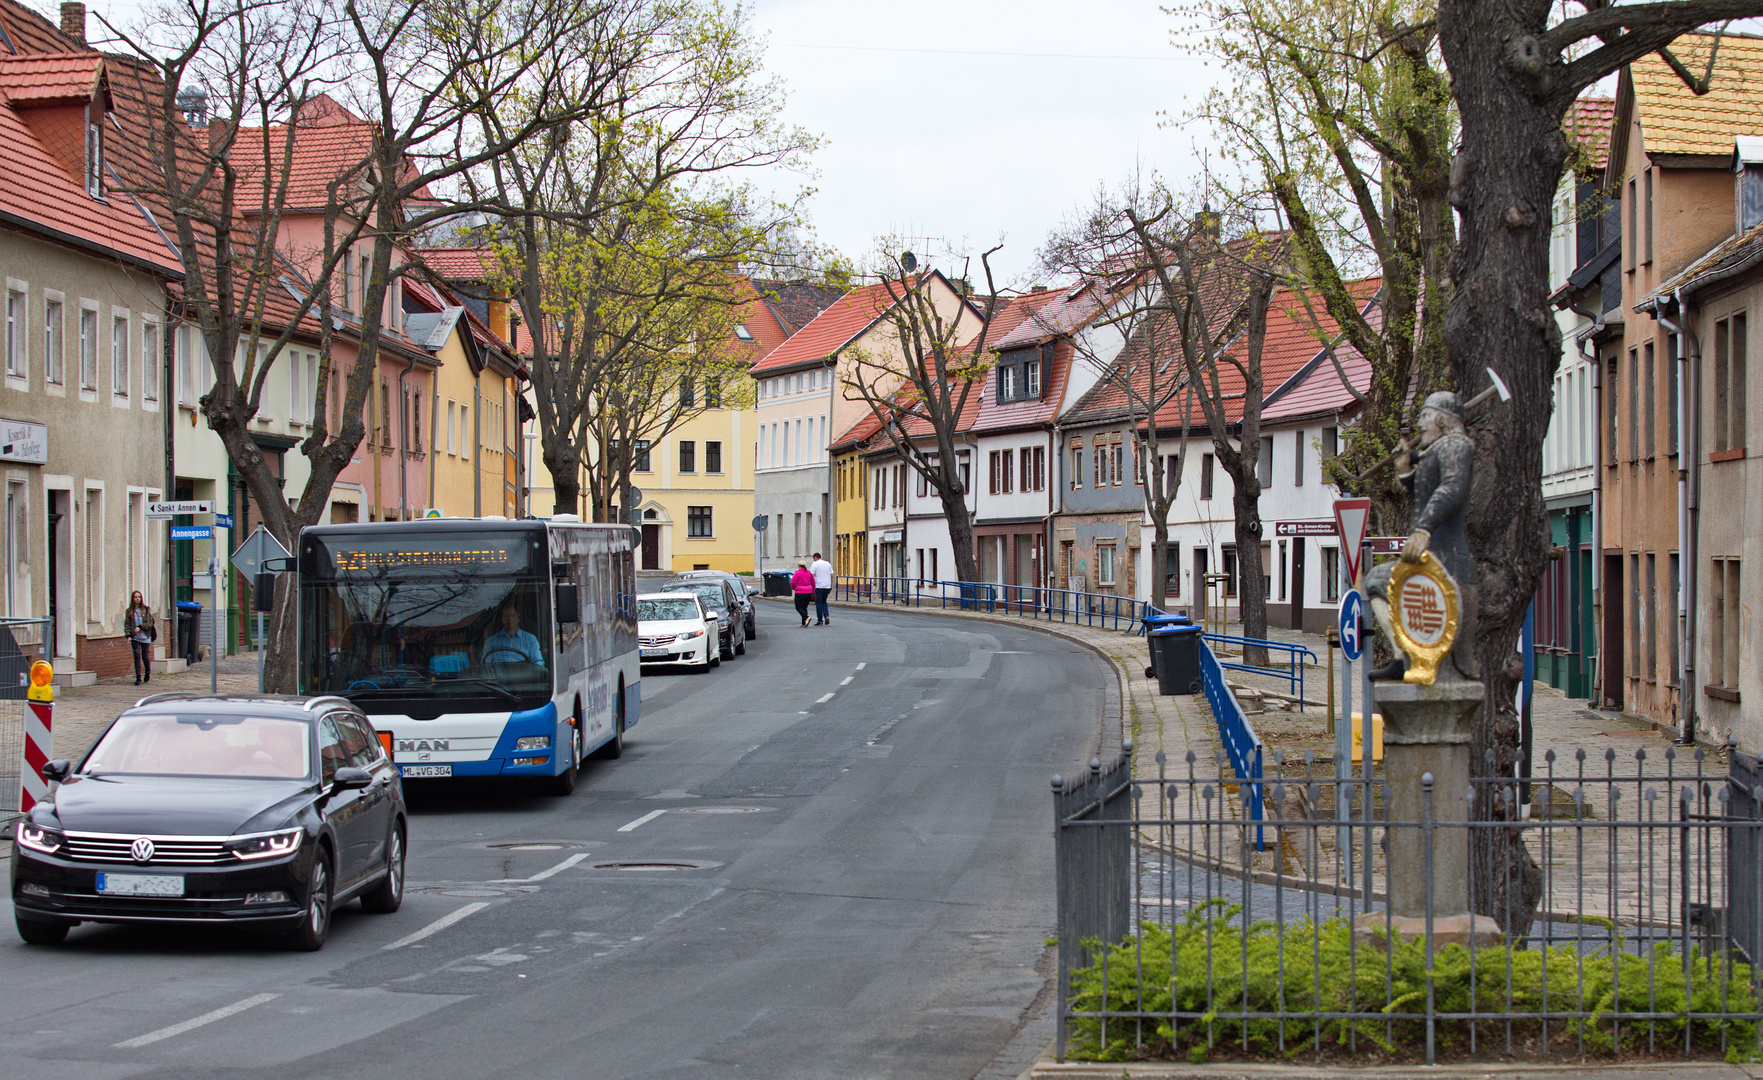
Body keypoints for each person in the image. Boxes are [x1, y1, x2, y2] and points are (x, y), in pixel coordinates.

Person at [1364, 389, 1479, 682]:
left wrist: (1423, 530)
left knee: (1378, 579)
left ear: (1443, 419)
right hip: (1434, 554)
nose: (1420, 424)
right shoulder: (1437, 449)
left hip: (1446, 557)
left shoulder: (1456, 445)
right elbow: (1425, 493)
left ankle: (1408, 657)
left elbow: (1452, 489)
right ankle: (1404, 657)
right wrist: (1405, 471)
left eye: (1426, 416)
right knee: (1377, 581)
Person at [483, 599, 545, 666]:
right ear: (502, 619)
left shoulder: (530, 639)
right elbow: (485, 666)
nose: (510, 619)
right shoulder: (491, 641)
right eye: (507, 616)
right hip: (498, 675)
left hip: (523, 675)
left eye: (512, 615)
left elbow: (538, 663)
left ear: (518, 617)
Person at [122, 591, 156, 686]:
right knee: (137, 656)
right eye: (135, 597)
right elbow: (127, 624)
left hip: (145, 636)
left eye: (139, 597)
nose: (137, 599)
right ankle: (138, 677)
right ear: (132, 599)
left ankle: (147, 672)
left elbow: (150, 623)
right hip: (135, 637)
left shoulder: (145, 609)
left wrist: (140, 627)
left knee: (145, 656)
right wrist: (128, 634)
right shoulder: (129, 611)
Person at [809, 551, 834, 625]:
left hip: (818, 586)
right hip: (827, 586)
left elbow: (812, 576)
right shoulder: (827, 564)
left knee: (818, 603)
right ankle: (826, 616)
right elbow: (831, 575)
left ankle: (820, 620)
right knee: (824, 602)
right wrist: (831, 585)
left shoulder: (815, 564)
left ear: (815, 558)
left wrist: (812, 586)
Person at [791, 562, 814, 627]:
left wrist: (793, 588)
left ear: (799, 566)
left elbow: (792, 582)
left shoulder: (797, 573)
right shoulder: (809, 573)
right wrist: (812, 590)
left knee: (798, 607)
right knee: (804, 607)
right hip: (809, 591)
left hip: (800, 592)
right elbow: (813, 582)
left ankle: (806, 617)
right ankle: (804, 622)